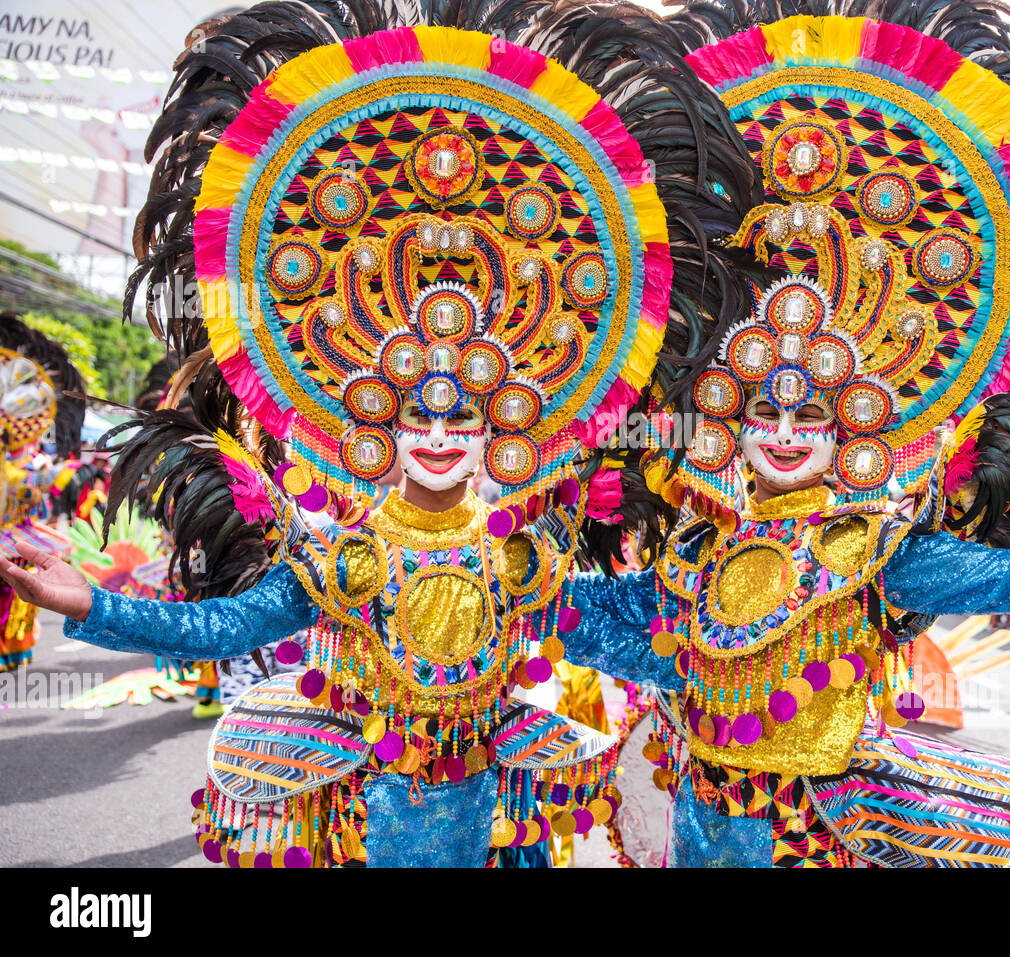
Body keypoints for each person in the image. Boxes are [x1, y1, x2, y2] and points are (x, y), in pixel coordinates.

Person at [0, 0, 748, 867]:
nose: (438, 433)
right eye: (415, 412)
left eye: (461, 414)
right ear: (374, 423)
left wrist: (771, 583)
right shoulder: (342, 559)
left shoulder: (524, 564)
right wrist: (88, 604)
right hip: (366, 831)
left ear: (503, 424)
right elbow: (223, 628)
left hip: (496, 837)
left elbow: (654, 641)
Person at [547, 0, 1010, 867]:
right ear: (731, 424)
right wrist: (502, 574)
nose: (785, 431)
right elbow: (605, 623)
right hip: (700, 826)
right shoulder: (697, 551)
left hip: (818, 836)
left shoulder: (875, 551)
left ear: (851, 425)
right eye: (765, 412)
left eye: (810, 414)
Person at [0, 313, 86, 671]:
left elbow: (39, 487)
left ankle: (13, 647)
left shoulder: (30, 464)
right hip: (16, 536)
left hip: (16, 539)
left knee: (16, 593)